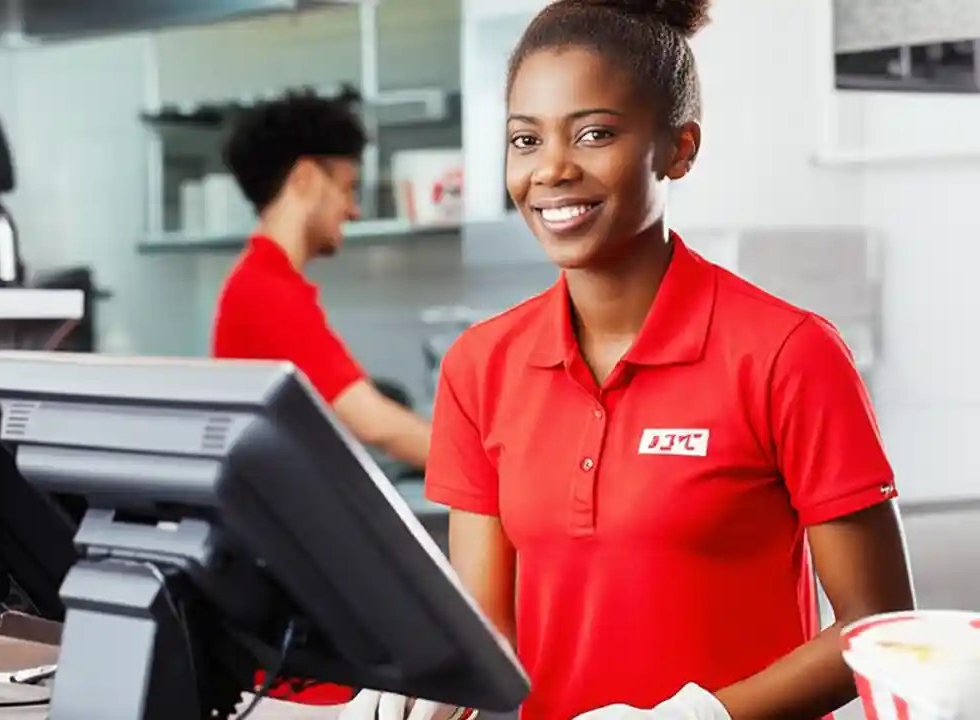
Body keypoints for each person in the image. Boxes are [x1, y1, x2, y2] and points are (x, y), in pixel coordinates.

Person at [340, 1, 915, 719]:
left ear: (679, 148)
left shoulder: (787, 354)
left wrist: (703, 717)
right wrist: (424, 681)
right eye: (525, 140)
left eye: (594, 134)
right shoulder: (480, 367)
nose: (550, 169)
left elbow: (881, 628)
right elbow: (486, 625)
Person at [213, 90, 432, 470]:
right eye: (346, 188)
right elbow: (377, 424)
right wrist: (497, 476)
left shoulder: (262, 281)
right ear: (306, 178)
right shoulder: (266, 292)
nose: (353, 210)